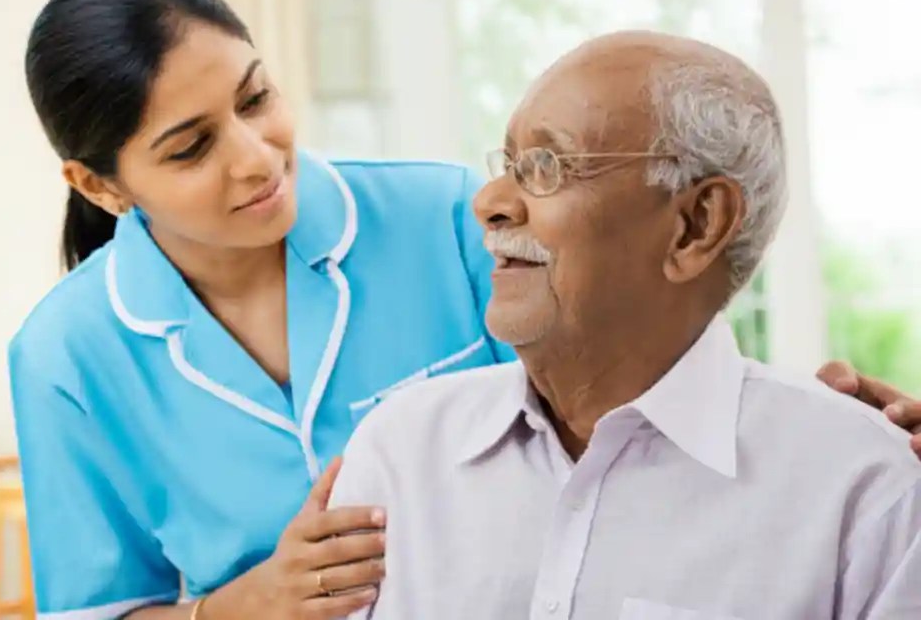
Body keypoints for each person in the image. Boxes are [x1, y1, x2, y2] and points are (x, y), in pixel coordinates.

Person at [9, 0, 921, 620]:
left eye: (255, 99)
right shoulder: (64, 356)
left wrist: (821, 441)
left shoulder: (442, 213)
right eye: (191, 146)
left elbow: (628, 369)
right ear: (100, 186)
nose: (257, 159)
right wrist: (243, 609)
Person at [329, 31, 921, 619]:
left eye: (546, 165)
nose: (489, 201)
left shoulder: (867, 488)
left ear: (696, 225)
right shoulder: (401, 452)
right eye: (508, 164)